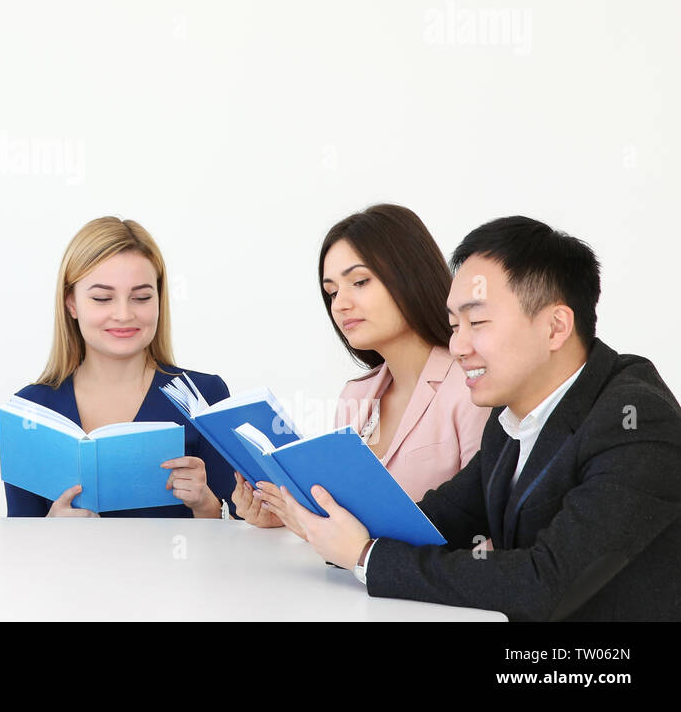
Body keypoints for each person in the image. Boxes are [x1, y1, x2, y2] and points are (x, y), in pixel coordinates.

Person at [274, 216, 681, 621]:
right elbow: (438, 521)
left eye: (478, 322)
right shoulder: (511, 416)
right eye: (454, 325)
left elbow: (547, 584)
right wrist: (322, 522)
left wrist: (366, 555)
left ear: (555, 327)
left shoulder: (636, 420)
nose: (458, 345)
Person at [234, 204, 489, 527]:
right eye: (332, 292)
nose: (340, 304)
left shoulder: (472, 388)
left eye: (359, 282)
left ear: (410, 275)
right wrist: (287, 517)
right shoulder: (355, 396)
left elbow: (486, 525)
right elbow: (345, 524)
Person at [4, 216, 235, 518]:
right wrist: (50, 529)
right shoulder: (30, 409)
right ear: (71, 304)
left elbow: (245, 531)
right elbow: (20, 538)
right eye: (102, 298)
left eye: (141, 297)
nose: (124, 314)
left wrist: (205, 504)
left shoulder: (202, 396)